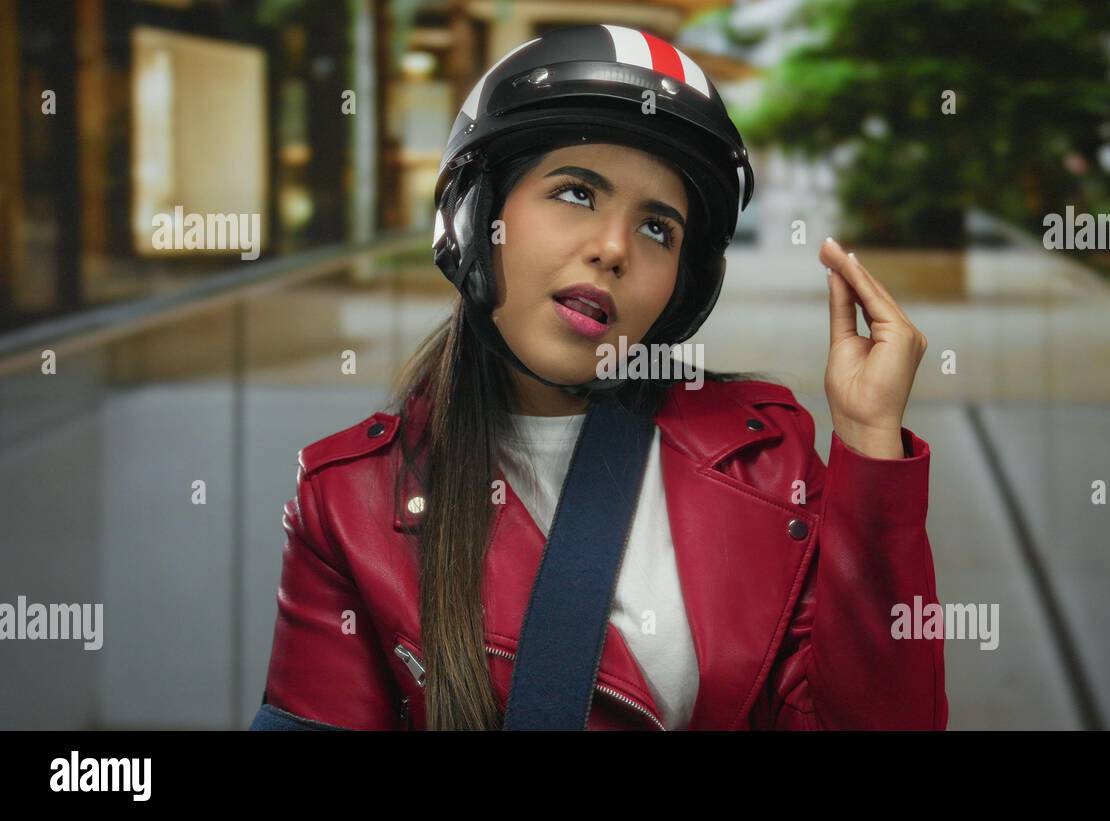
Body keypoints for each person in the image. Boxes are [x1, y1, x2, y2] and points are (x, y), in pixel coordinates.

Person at [251, 23, 944, 731]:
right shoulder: (343, 500)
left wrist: (867, 441)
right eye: (578, 193)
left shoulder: (765, 458)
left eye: (657, 229)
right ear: (476, 214)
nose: (613, 248)